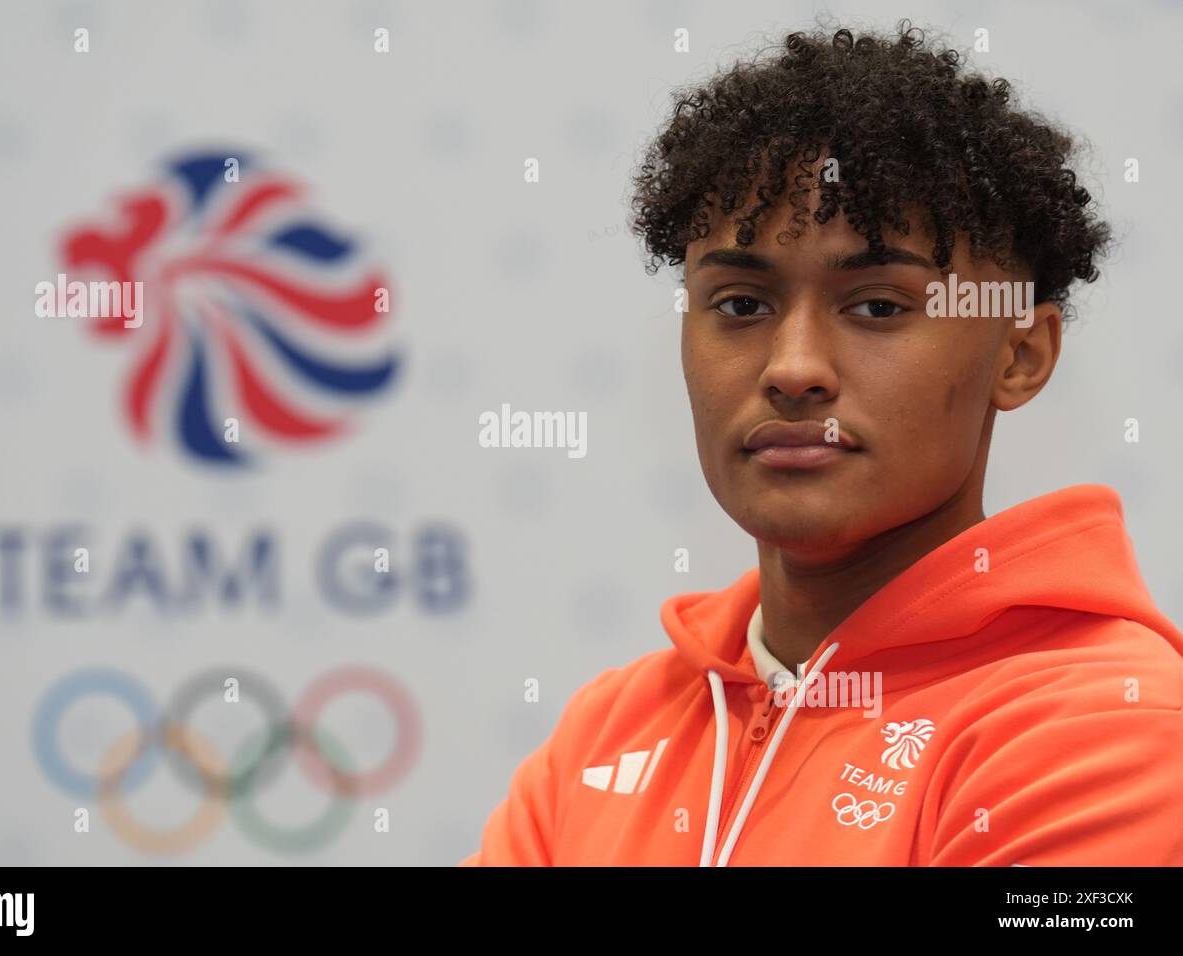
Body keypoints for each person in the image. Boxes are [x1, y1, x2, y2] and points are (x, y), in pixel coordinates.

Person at [460, 21, 1183, 866]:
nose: (793, 369)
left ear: (1020, 353)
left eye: (878, 305)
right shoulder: (605, 736)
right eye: (739, 305)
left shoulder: (1111, 725)